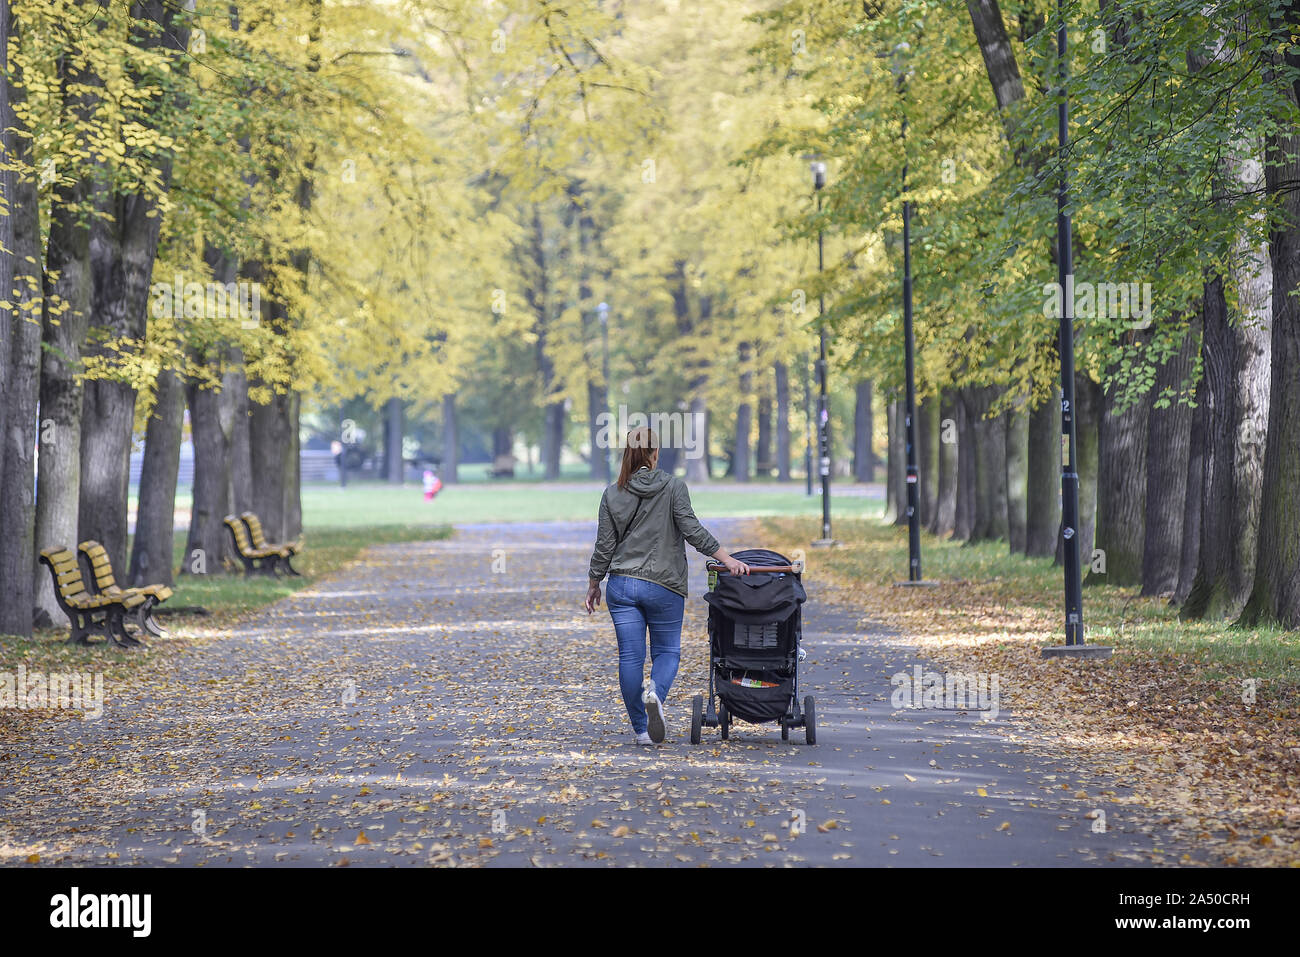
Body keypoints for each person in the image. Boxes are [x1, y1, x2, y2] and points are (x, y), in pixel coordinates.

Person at [585, 427, 750, 745]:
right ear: (654, 454)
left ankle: (641, 730)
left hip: (622, 586)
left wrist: (594, 583)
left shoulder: (612, 494)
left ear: (627, 454)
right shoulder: (674, 487)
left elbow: (604, 547)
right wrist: (726, 558)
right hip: (664, 586)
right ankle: (656, 694)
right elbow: (692, 530)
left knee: (630, 658)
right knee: (667, 652)